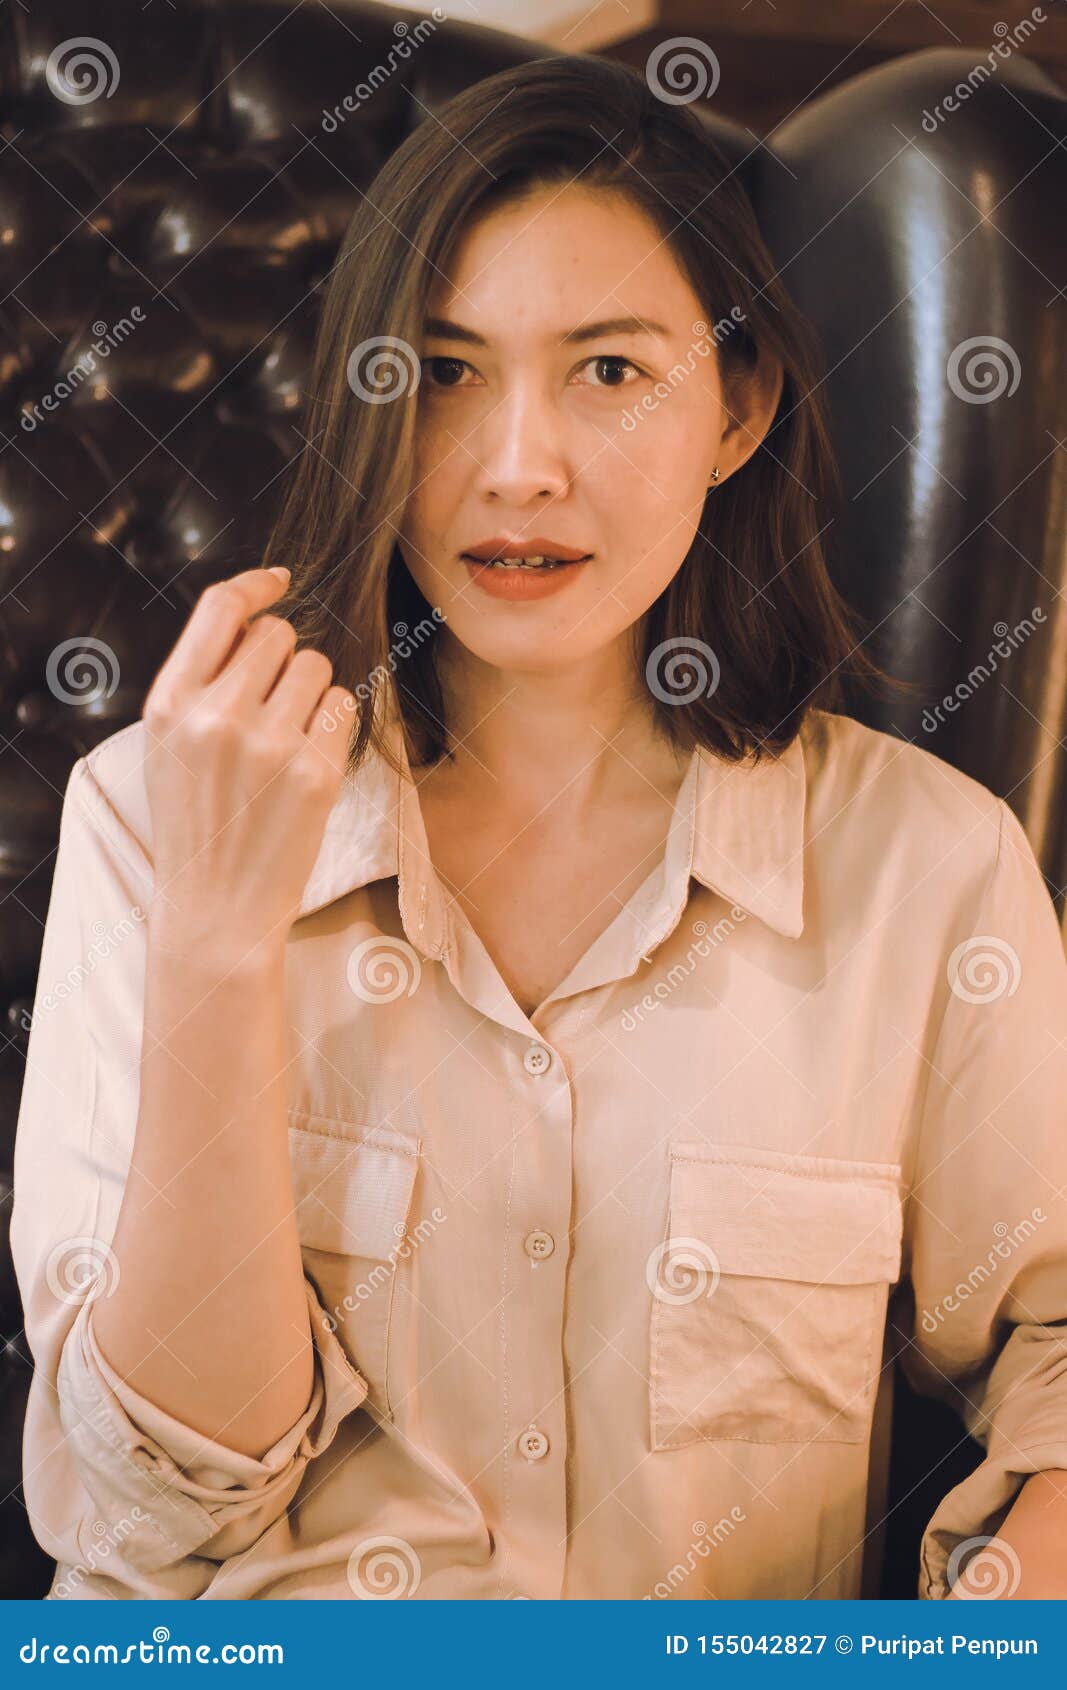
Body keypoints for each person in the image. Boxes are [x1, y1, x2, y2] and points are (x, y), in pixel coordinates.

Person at [11, 53, 1067, 1603]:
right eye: (442, 370)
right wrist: (221, 939)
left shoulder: (934, 866)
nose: (519, 466)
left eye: (611, 370)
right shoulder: (148, 818)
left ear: (740, 406)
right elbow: (157, 1514)